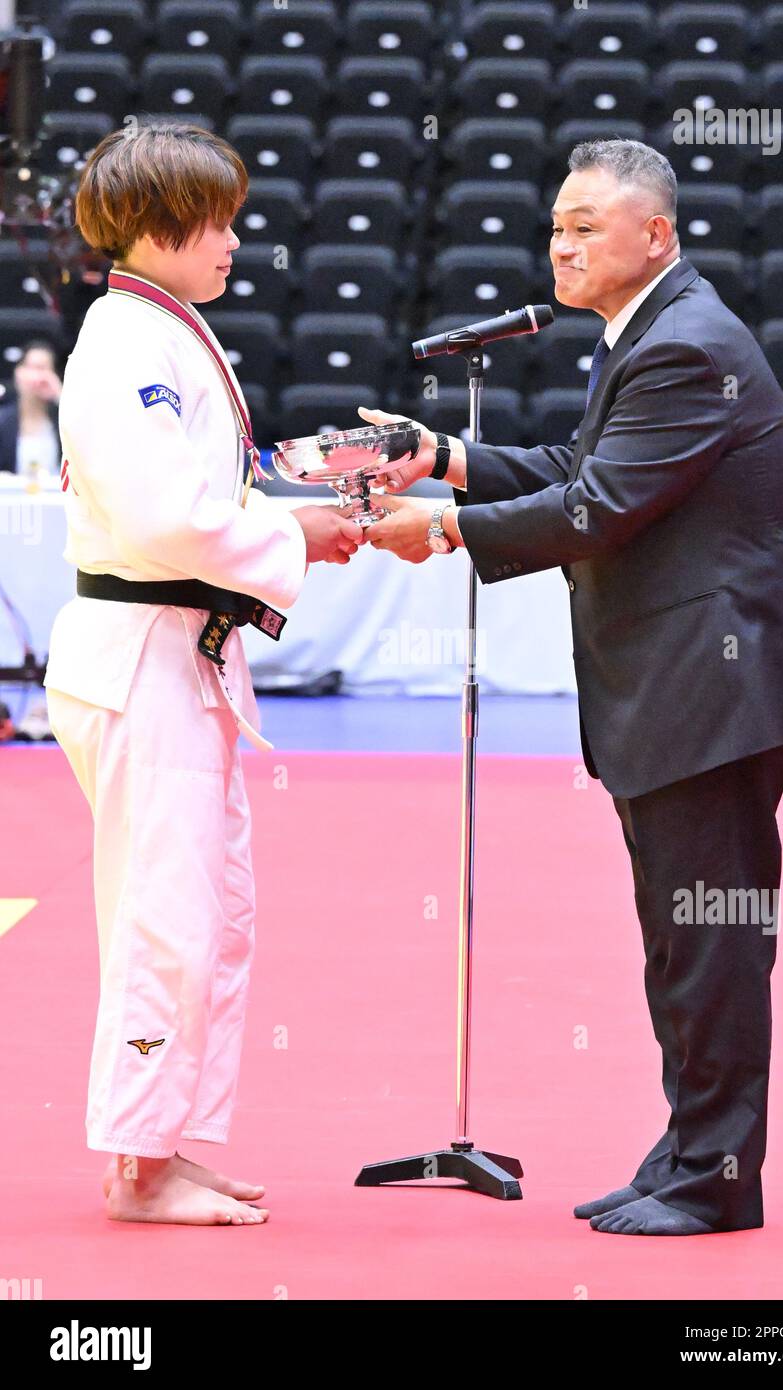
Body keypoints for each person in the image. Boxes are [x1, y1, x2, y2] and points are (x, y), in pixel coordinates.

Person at [363, 138, 783, 1235]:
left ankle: (715, 1176)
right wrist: (444, 455)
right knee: (685, 935)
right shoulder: (656, 333)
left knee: (708, 936)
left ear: (655, 236)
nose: (562, 245)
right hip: (691, 687)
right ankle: (688, 1149)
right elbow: (591, 475)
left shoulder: (683, 344)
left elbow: (599, 508)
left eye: (586, 226)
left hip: (714, 691)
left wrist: (442, 530)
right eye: (555, 227)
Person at [43, 123, 362, 1226]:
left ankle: (161, 1138)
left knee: (207, 913)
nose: (233, 239)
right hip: (143, 657)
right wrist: (297, 536)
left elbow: (197, 496)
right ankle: (139, 1160)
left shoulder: (162, 332)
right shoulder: (126, 342)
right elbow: (164, 516)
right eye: (215, 220)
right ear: (153, 225)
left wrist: (293, 512)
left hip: (175, 655)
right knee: (163, 920)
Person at [0, 338, 63, 478]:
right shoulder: (3, 421)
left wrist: (60, 397)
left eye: (42, 368)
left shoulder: (62, 421)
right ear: (18, 372)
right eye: (29, 367)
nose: (34, 377)